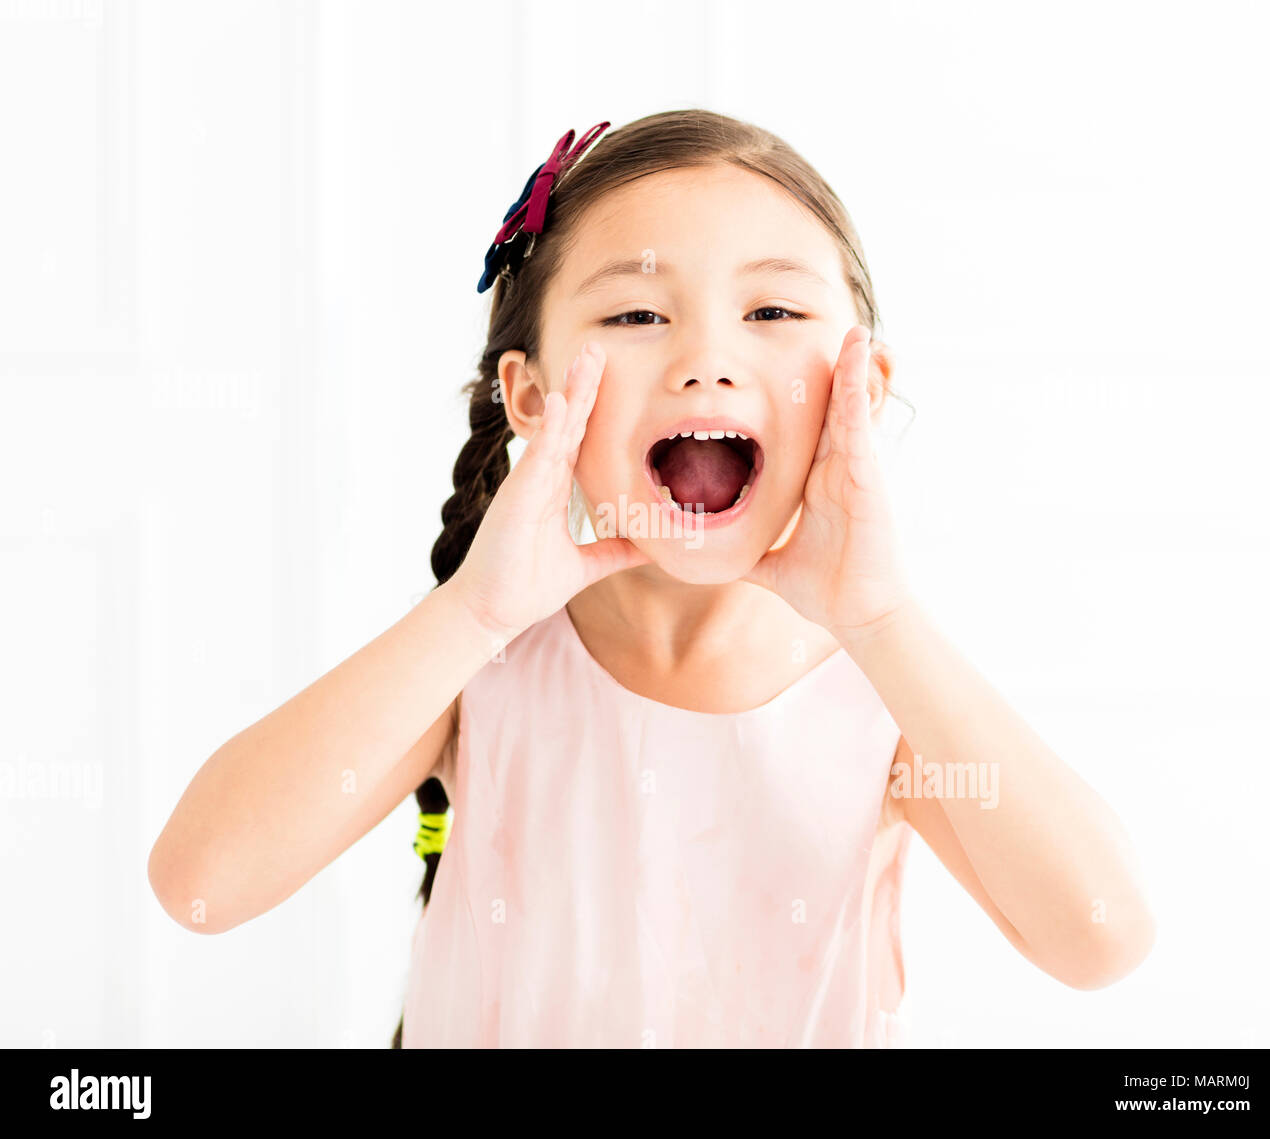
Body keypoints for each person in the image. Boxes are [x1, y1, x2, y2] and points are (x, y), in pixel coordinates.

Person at [149, 109, 1156, 1048]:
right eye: (635, 313)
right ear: (532, 395)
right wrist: (473, 613)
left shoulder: (885, 697)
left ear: (863, 385)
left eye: (770, 307)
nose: (706, 358)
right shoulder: (485, 663)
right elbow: (200, 882)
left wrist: (884, 616)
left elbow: (1101, 937)